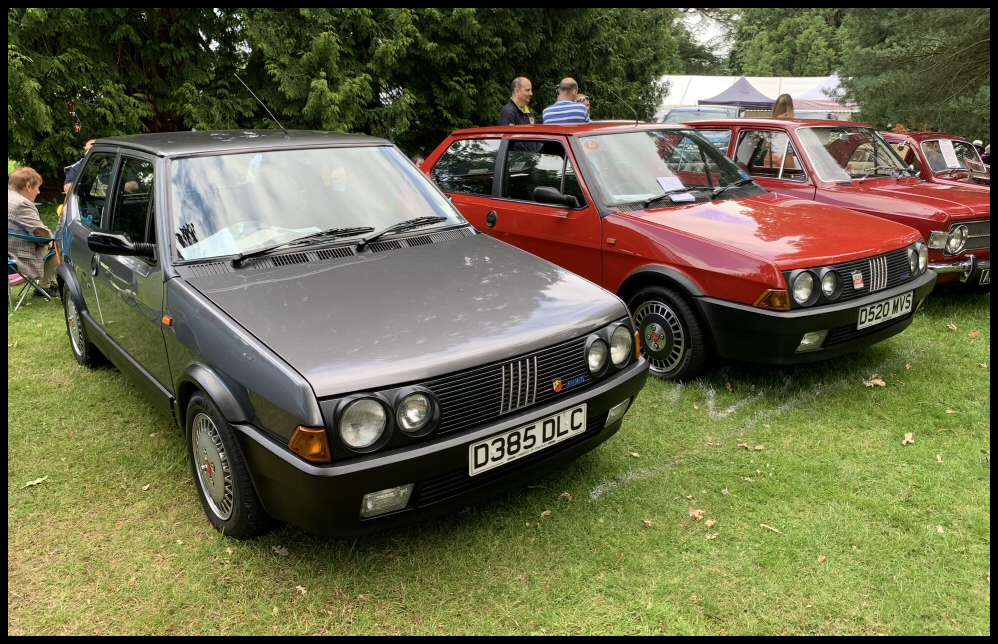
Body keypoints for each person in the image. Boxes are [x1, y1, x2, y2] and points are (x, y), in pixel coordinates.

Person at [8, 167, 57, 297]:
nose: (39, 192)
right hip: (17, 257)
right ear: (28, 186)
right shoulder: (22, 204)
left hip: (10, 251)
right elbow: (43, 234)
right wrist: (52, 240)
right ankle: (44, 287)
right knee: (62, 245)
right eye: (37, 187)